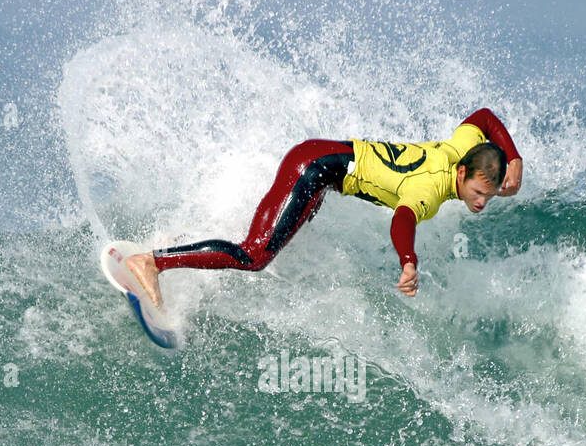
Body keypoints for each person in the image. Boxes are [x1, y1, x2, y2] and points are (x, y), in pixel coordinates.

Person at [123, 108, 522, 306]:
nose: (483, 202)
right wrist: (408, 260)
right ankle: (153, 261)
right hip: (312, 170)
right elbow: (403, 219)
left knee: (270, 237)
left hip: (322, 169)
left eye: (488, 194)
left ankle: (176, 241)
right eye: (479, 192)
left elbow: (483, 117)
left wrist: (513, 158)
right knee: (256, 254)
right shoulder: (431, 189)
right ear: (464, 171)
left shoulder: (458, 147)